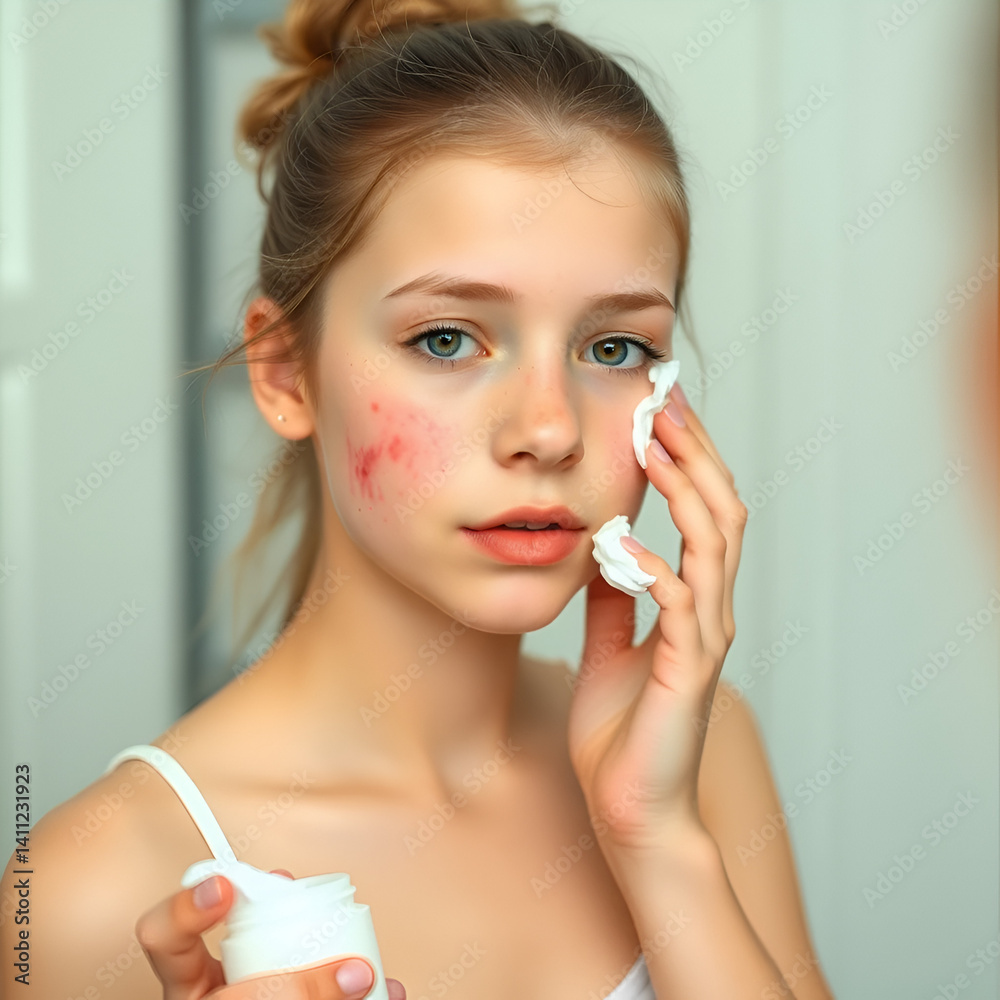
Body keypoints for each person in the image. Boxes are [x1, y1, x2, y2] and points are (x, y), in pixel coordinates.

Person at [2, 1, 838, 997]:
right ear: (284, 373)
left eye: (613, 348)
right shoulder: (81, 894)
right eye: (447, 338)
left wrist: (653, 836)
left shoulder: (696, 754)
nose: (550, 427)